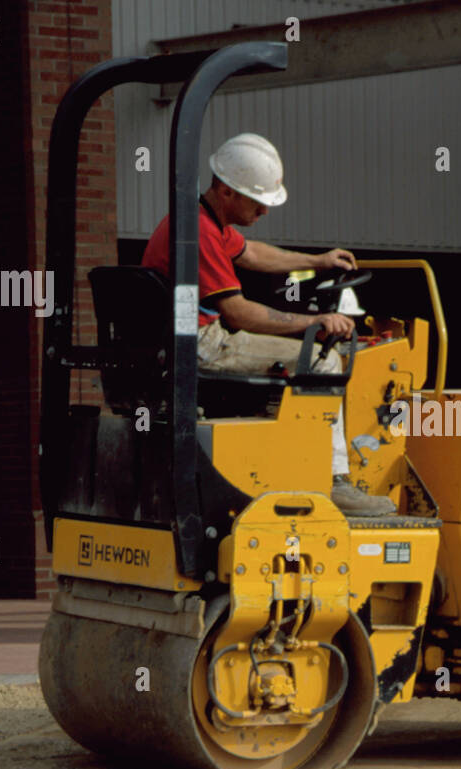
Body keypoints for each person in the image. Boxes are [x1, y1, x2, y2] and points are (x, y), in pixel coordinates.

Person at [141, 132, 394, 517]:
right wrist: (317, 321)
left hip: (183, 340)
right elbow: (238, 314)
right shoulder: (198, 233)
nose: (264, 213)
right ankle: (336, 480)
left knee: (304, 352)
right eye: (258, 203)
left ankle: (293, 461)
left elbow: (253, 253)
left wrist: (319, 260)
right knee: (324, 361)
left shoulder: (205, 222)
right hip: (203, 343)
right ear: (226, 192)